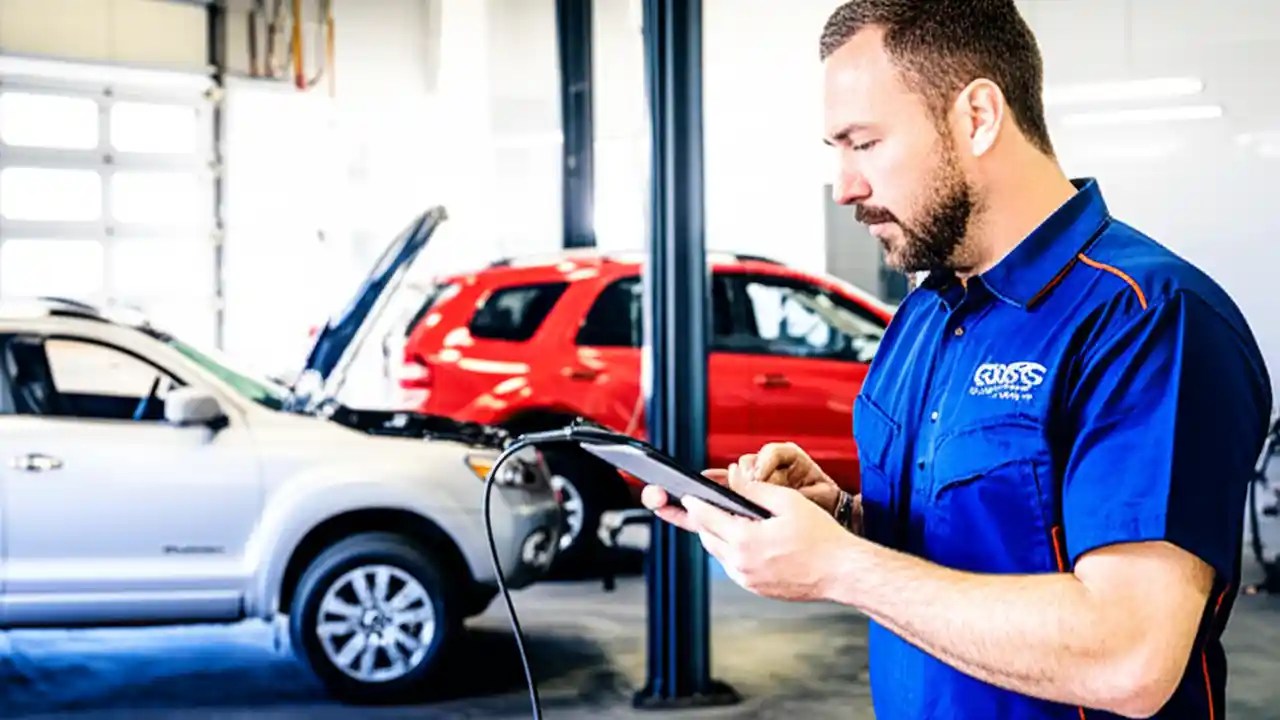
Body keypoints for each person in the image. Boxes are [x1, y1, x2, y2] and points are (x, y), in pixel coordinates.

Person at [641, 1, 1273, 718]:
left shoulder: (1145, 319)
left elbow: (1130, 655)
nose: (845, 186)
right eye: (836, 151)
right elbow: (978, 545)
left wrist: (839, 567)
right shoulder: (925, 315)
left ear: (978, 116)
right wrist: (841, 520)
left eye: (865, 143)